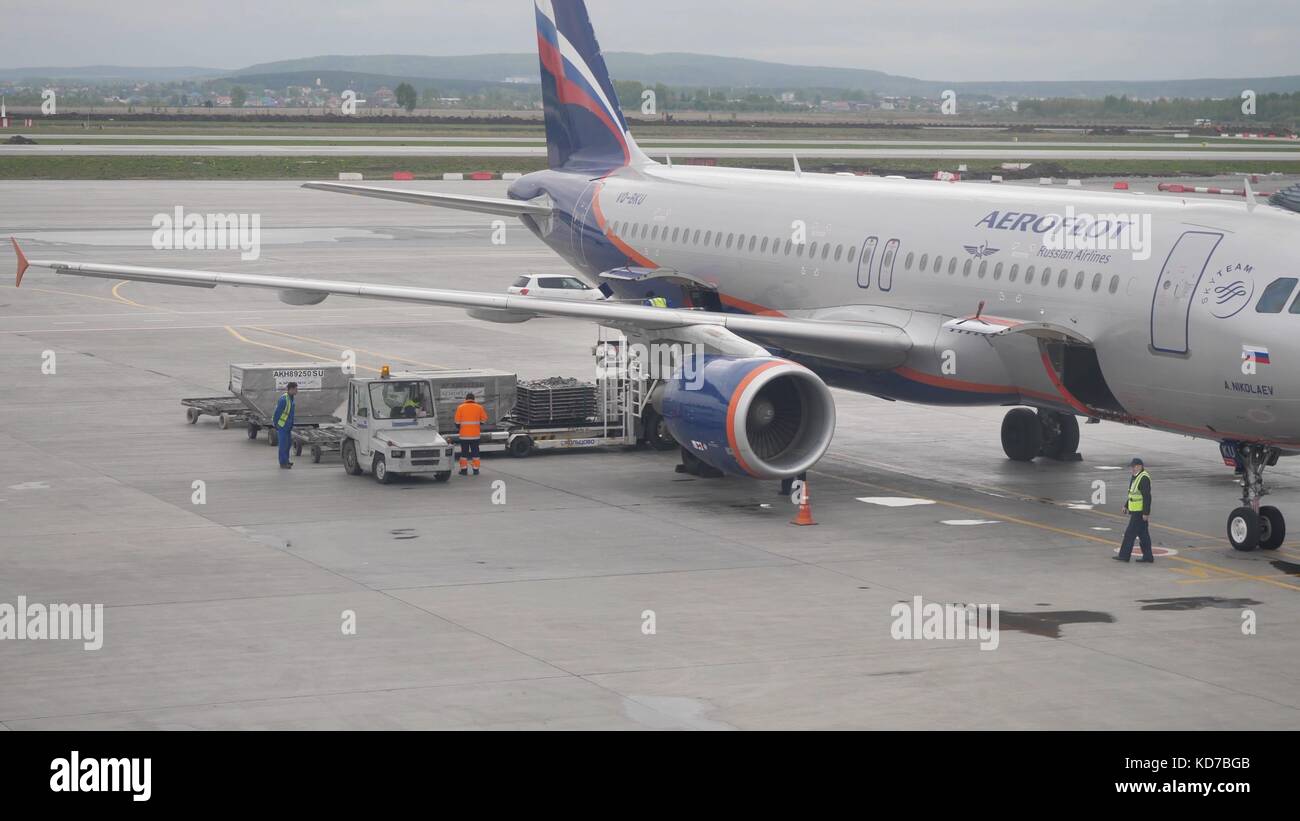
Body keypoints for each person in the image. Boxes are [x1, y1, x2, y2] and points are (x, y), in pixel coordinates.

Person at [1115, 457, 1154, 563]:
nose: (1132, 469)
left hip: (1139, 512)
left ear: (1140, 466)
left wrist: (1146, 513)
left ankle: (1124, 556)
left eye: (1134, 467)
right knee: (1143, 534)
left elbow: (1147, 497)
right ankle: (1148, 556)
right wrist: (1126, 505)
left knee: (1129, 534)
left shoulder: (1144, 478)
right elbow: (1132, 493)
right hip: (1135, 510)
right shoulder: (1135, 476)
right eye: (1132, 467)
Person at [454, 392, 489, 476]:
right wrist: (478, 424)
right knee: (475, 453)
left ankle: (464, 470)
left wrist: (461, 428)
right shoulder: (479, 407)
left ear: (466, 399)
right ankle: (476, 470)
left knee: (464, 454)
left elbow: (457, 422)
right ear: (474, 399)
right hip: (475, 435)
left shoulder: (460, 407)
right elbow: (484, 419)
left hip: (464, 436)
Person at [273, 382, 298, 470]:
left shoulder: (291, 398)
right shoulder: (284, 399)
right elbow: (277, 413)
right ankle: (283, 463)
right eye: (296, 389)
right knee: (283, 445)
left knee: (288, 444)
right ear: (291, 389)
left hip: (288, 426)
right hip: (282, 426)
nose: (297, 391)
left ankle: (286, 460)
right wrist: (276, 425)